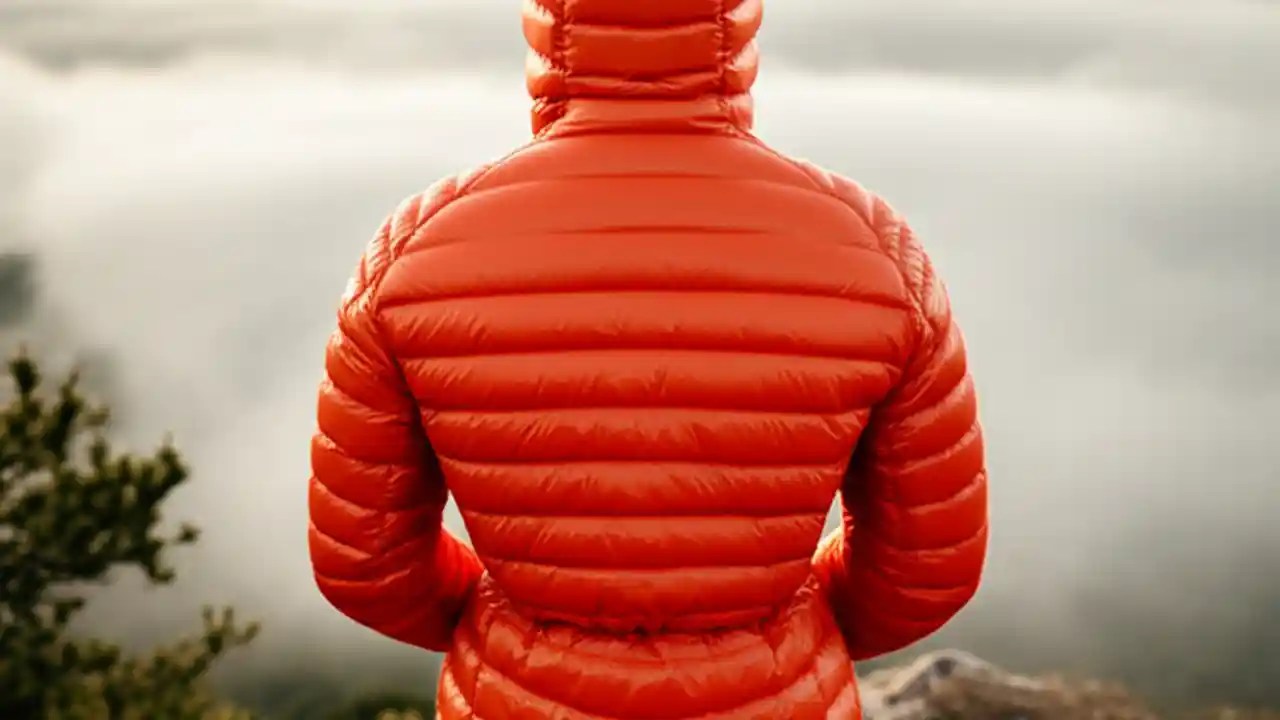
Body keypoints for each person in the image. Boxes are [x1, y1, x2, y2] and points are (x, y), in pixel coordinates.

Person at [307, 0, 988, 717]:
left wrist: (515, 624)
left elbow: (364, 559)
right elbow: (925, 567)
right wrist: (775, 631)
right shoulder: (874, 247)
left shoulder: (415, 247)